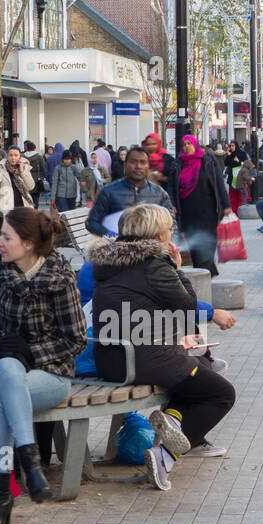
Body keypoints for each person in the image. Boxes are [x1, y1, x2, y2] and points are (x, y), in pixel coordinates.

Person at [90, 203, 236, 491]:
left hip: (111, 358)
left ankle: (173, 421)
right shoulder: (154, 264)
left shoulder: (109, 261)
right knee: (222, 394)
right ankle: (166, 454)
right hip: (146, 357)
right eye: (169, 228)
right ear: (159, 235)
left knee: (202, 365)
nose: (172, 233)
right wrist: (177, 268)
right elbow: (186, 306)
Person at [0, 208, 87, 524]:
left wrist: (29, 354)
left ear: (29, 244)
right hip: (0, 364)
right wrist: (0, 344)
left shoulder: (60, 278)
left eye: (6, 237)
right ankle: (31, 463)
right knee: (8, 369)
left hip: (52, 373)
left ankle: (1, 495)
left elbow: (75, 340)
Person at [86, 145, 172, 237]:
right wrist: (110, 235)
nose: (138, 166)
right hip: (119, 248)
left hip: (152, 248)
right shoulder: (109, 192)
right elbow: (92, 222)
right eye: (133, 162)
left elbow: (171, 224)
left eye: (143, 162)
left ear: (148, 166)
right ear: (125, 164)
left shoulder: (159, 193)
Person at [173, 134, 229, 276]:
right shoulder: (178, 164)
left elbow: (219, 184)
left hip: (208, 212)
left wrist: (226, 204)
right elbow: (172, 187)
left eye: (189, 144)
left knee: (208, 244)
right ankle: (205, 272)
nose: (187, 147)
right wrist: (172, 204)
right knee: (195, 247)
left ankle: (206, 272)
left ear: (195, 145)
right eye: (184, 144)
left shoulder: (208, 161)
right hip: (187, 213)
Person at [141, 132, 179, 204]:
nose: (151, 147)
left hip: (162, 197)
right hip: (144, 197)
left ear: (158, 143)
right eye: (148, 144)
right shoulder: (140, 158)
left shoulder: (167, 159)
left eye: (153, 144)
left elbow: (174, 181)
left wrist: (163, 178)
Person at [0, 144, 35, 212]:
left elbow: (30, 186)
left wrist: (22, 172)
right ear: (7, 156)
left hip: (23, 206)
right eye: (10, 155)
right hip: (6, 206)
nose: (13, 158)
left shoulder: (24, 167)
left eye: (16, 155)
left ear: (19, 157)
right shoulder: (0, 168)